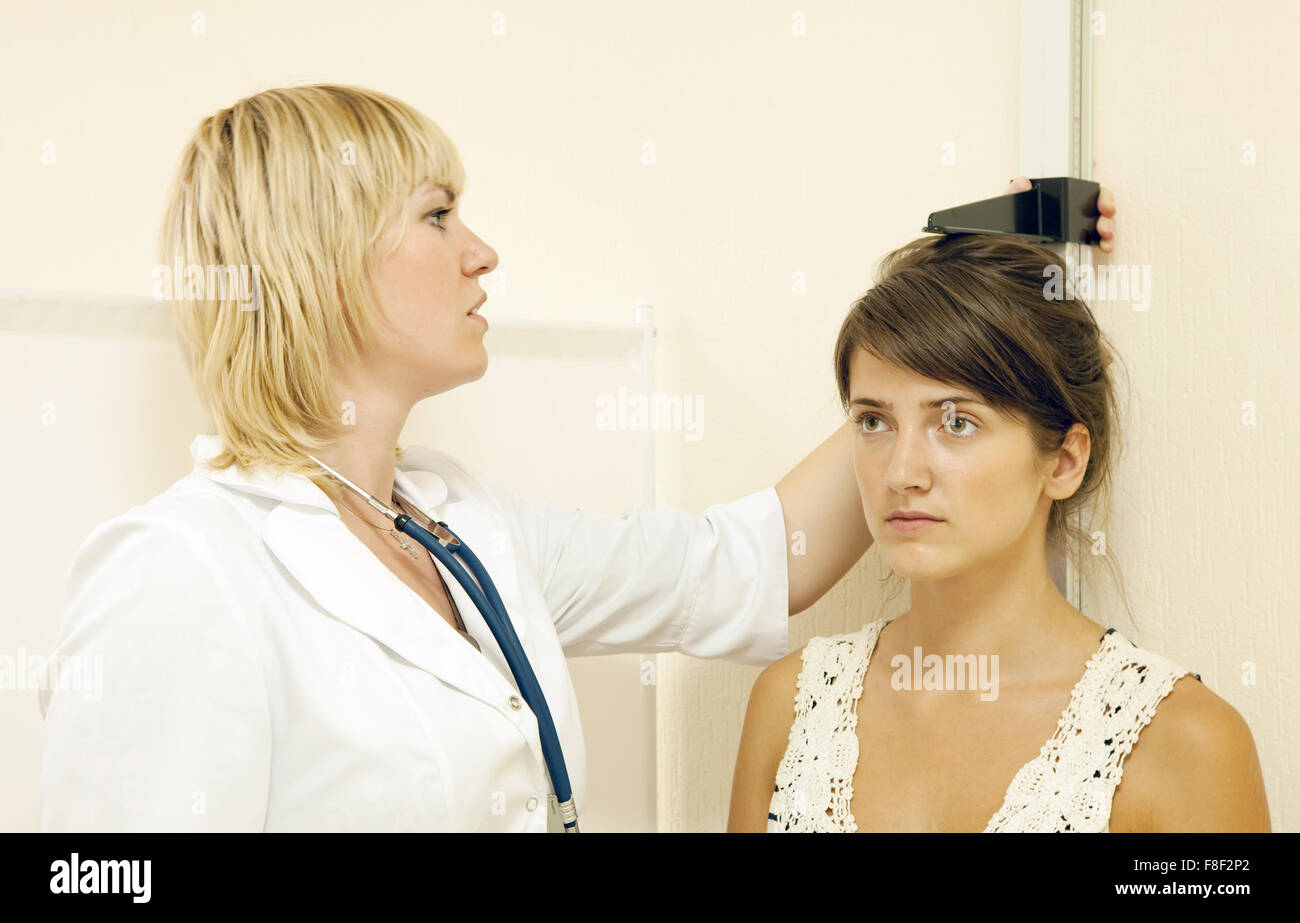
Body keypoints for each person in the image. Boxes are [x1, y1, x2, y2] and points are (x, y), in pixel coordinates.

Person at [728, 233, 1271, 832]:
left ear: (1064, 461)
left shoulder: (1184, 743)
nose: (902, 474)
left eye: (956, 422)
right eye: (874, 421)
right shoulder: (794, 706)